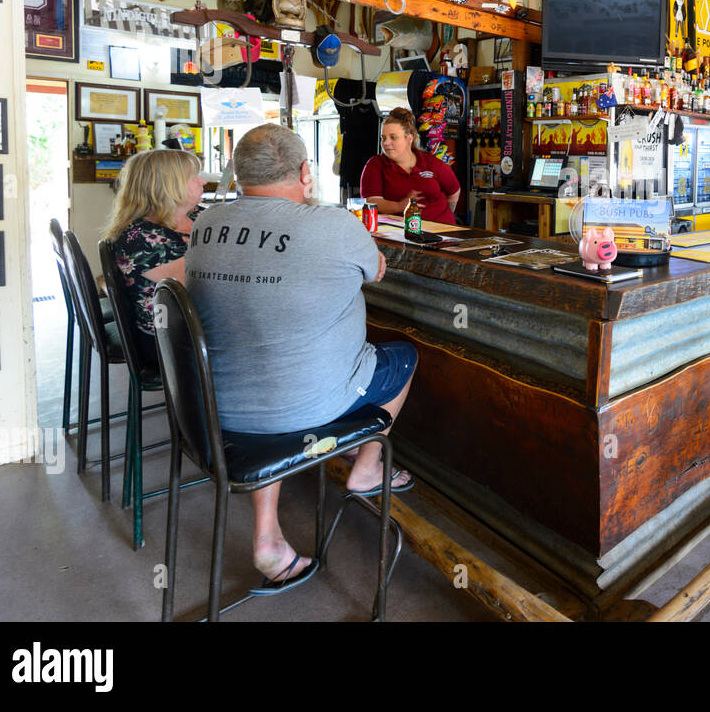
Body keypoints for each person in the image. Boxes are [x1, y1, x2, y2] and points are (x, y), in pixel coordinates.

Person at [185, 124, 418, 590]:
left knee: (269, 358)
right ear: (306, 172)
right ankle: (367, 467)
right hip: (303, 407)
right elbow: (376, 271)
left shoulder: (206, 223)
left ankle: (268, 537)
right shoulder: (332, 224)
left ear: (238, 173)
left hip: (212, 411)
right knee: (404, 356)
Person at [102, 148, 205, 367]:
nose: (202, 181)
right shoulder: (138, 237)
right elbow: (199, 284)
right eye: (194, 177)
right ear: (168, 185)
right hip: (167, 338)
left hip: (194, 326)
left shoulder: (198, 215)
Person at [359, 109, 459, 225]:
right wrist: (399, 206)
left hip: (443, 232)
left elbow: (454, 192)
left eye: (393, 137)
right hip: (399, 233)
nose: (386, 143)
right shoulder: (375, 165)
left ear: (409, 139)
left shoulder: (431, 162)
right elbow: (371, 202)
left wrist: (444, 219)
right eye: (383, 138)